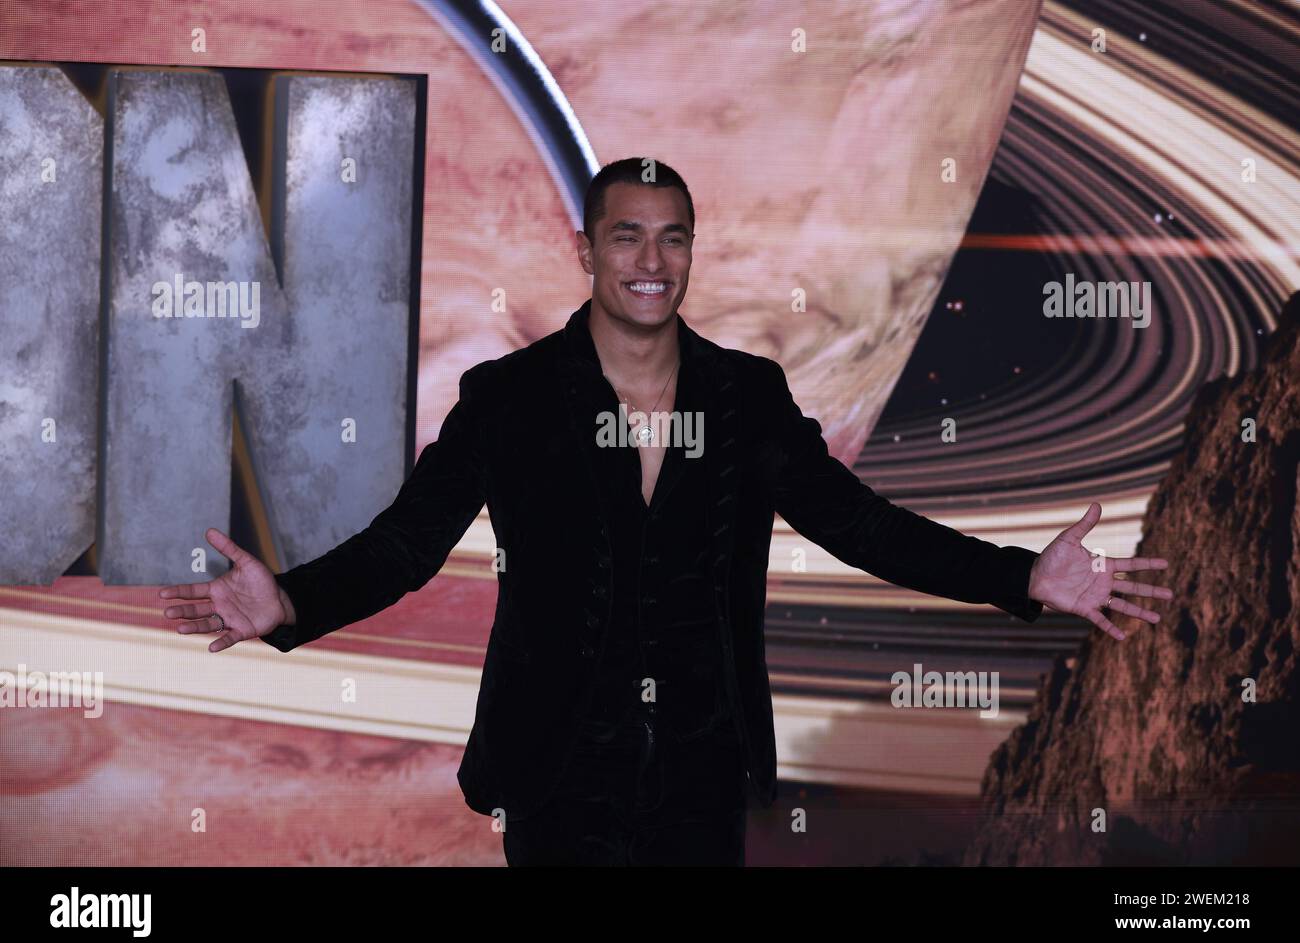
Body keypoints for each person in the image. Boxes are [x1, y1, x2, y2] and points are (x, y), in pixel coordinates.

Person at [159, 157, 1174, 866]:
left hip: (698, 772)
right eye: (628, 235)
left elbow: (859, 526)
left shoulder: (748, 395)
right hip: (553, 774)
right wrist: (290, 604)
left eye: (672, 237)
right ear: (585, 247)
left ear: (690, 252)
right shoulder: (505, 399)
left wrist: (1021, 576)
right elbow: (407, 544)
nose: (652, 258)